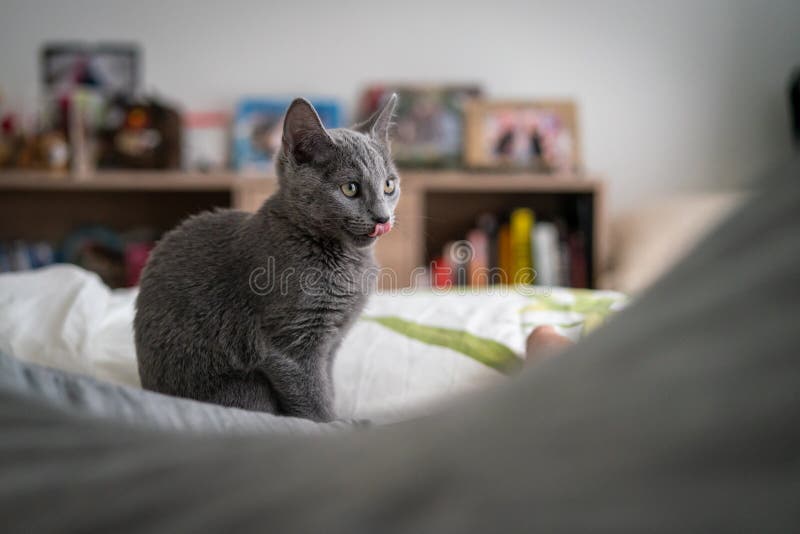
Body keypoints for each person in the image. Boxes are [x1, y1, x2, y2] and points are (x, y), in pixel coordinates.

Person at [1, 159, 799, 532]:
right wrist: (328, 430)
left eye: (388, 186)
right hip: (220, 380)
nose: (380, 207)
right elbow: (284, 354)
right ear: (297, 165)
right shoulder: (275, 247)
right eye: (356, 189)